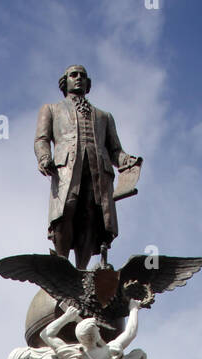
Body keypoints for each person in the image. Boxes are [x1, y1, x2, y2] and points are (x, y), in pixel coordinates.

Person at [34, 64, 140, 268]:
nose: (79, 78)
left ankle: (81, 270)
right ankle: (62, 264)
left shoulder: (104, 116)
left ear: (88, 83)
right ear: (65, 82)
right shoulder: (52, 109)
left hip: (98, 170)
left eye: (83, 75)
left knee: (91, 214)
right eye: (73, 75)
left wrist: (127, 161)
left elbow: (115, 150)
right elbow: (42, 139)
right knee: (67, 208)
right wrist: (44, 157)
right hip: (66, 168)